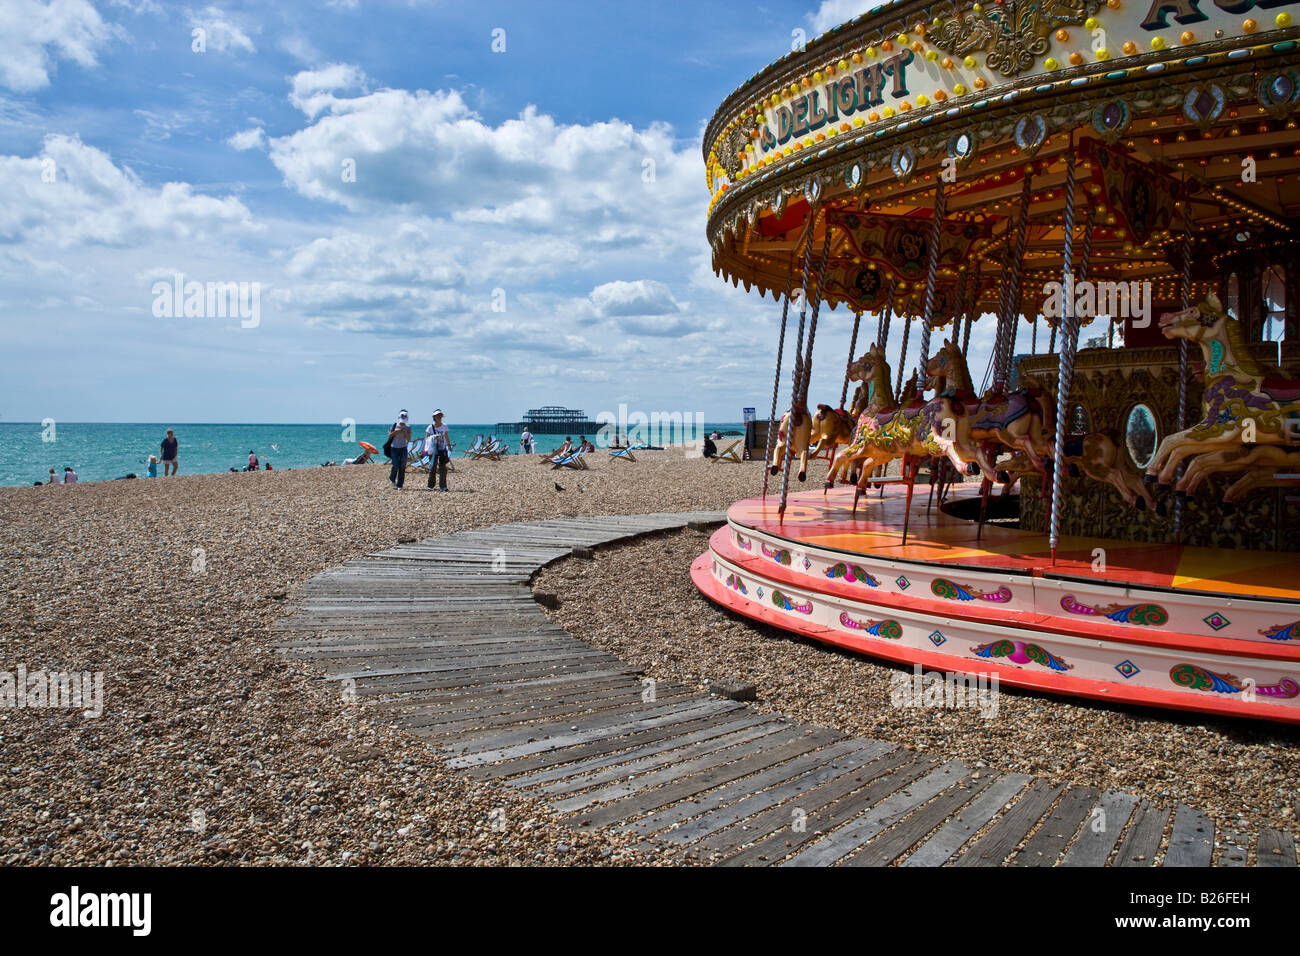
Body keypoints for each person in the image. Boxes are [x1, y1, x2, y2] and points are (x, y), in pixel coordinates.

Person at [426, 409, 450, 491]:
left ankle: (443, 486)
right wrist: (433, 437)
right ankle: (430, 486)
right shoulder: (430, 427)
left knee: (443, 468)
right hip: (433, 450)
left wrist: (449, 446)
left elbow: (446, 436)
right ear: (434, 417)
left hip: (442, 449)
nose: (439, 416)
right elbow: (426, 439)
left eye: (440, 415)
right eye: (437, 415)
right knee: (432, 468)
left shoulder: (444, 426)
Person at [388, 410, 411, 489]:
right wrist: (396, 432)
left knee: (402, 466)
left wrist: (405, 433)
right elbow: (390, 436)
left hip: (403, 448)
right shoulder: (394, 425)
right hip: (394, 448)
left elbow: (409, 439)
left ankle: (400, 485)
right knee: (395, 465)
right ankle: (392, 478)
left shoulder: (408, 427)